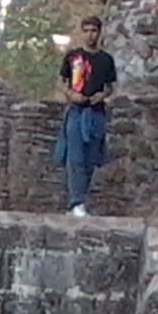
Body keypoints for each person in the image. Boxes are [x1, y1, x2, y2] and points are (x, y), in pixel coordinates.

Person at [56, 16, 117, 216]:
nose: (90, 34)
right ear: (82, 32)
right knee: (75, 157)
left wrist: (101, 95)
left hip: (95, 112)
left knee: (91, 158)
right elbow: (61, 82)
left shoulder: (106, 59)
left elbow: (110, 86)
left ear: (99, 33)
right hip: (76, 111)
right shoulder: (73, 57)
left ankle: (81, 199)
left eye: (94, 30)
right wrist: (71, 94)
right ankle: (76, 202)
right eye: (87, 30)